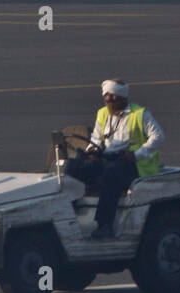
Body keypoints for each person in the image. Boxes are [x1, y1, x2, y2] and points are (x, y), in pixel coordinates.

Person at [64, 80, 164, 240]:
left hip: (134, 163)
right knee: (75, 167)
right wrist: (92, 150)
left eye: (113, 95)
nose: (109, 99)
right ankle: (67, 214)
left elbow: (158, 136)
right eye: (106, 95)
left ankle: (105, 226)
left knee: (111, 175)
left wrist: (137, 154)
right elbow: (96, 138)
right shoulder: (102, 113)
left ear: (123, 96)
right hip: (109, 158)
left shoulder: (140, 114)